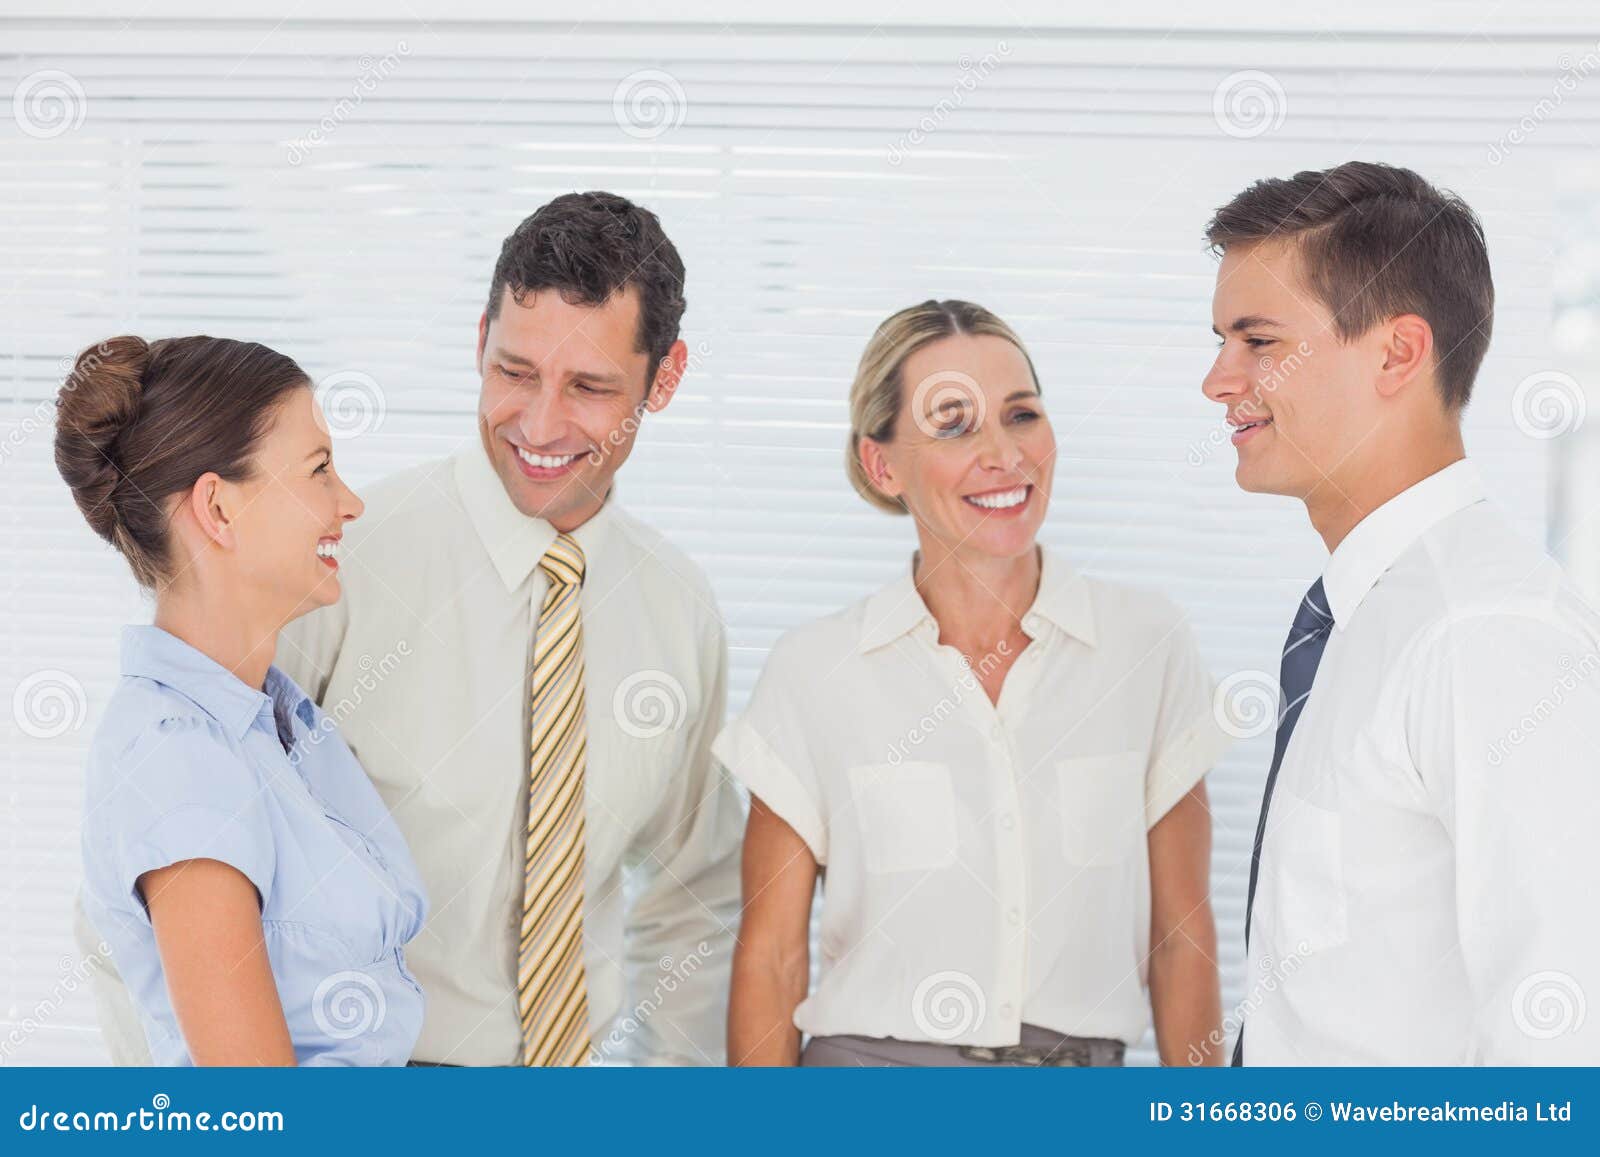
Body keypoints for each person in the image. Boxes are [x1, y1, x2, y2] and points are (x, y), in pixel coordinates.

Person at [719, 299, 1230, 1067]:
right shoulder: (814, 672)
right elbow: (771, 960)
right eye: (954, 424)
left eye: (1021, 414)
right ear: (882, 464)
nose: (1005, 453)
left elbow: (1181, 939)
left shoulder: (1146, 647)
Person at [1205, 161, 1600, 1064]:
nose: (1217, 380)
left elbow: (1563, 1040)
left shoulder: (1487, 634)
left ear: (1397, 353)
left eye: (1257, 340)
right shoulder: (1362, 616)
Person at [58, 335, 427, 1066]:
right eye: (319, 469)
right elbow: (257, 1116)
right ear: (218, 508)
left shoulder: (276, 725)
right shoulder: (176, 756)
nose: (349, 502)